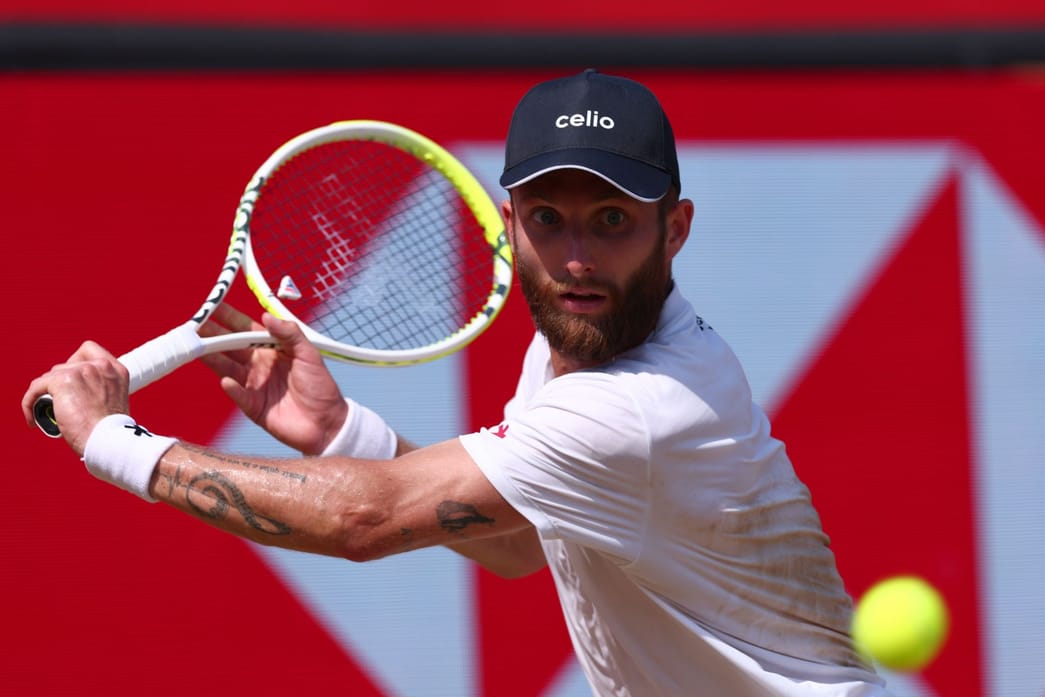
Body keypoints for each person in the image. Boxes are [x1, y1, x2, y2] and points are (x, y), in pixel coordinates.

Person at [23, 69, 894, 696]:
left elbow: (363, 520)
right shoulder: (571, 345)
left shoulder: (636, 407)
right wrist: (340, 433)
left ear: (675, 230)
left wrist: (115, 442)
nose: (577, 258)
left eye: (612, 220)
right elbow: (518, 546)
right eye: (548, 219)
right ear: (509, 224)